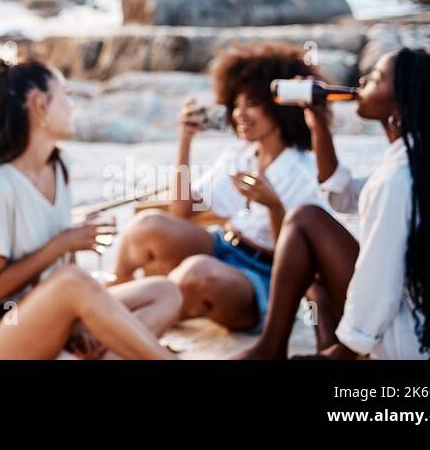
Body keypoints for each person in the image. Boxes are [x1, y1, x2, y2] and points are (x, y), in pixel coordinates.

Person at [239, 48, 430, 359]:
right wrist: (318, 125)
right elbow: (344, 194)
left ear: (401, 105)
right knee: (313, 262)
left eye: (375, 79)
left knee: (303, 220)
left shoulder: (397, 180)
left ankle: (274, 347)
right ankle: (289, 346)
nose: (362, 81)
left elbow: (379, 283)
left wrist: (341, 353)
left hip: (419, 343)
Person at [0, 57, 181, 360]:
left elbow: (66, 273)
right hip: (0, 329)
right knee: (74, 283)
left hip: (51, 312)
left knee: (165, 292)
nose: (72, 105)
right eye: (65, 94)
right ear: (39, 105)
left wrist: (84, 318)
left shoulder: (59, 167)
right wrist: (63, 242)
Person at [112, 42, 329, 331]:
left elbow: (293, 266)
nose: (239, 114)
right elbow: (181, 212)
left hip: (262, 275)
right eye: (236, 104)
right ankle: (116, 296)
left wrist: (274, 206)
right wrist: (185, 142)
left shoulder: (302, 171)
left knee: (197, 272)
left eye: (251, 104)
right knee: (146, 225)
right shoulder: (240, 156)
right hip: (223, 245)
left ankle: (129, 321)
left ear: (280, 109)